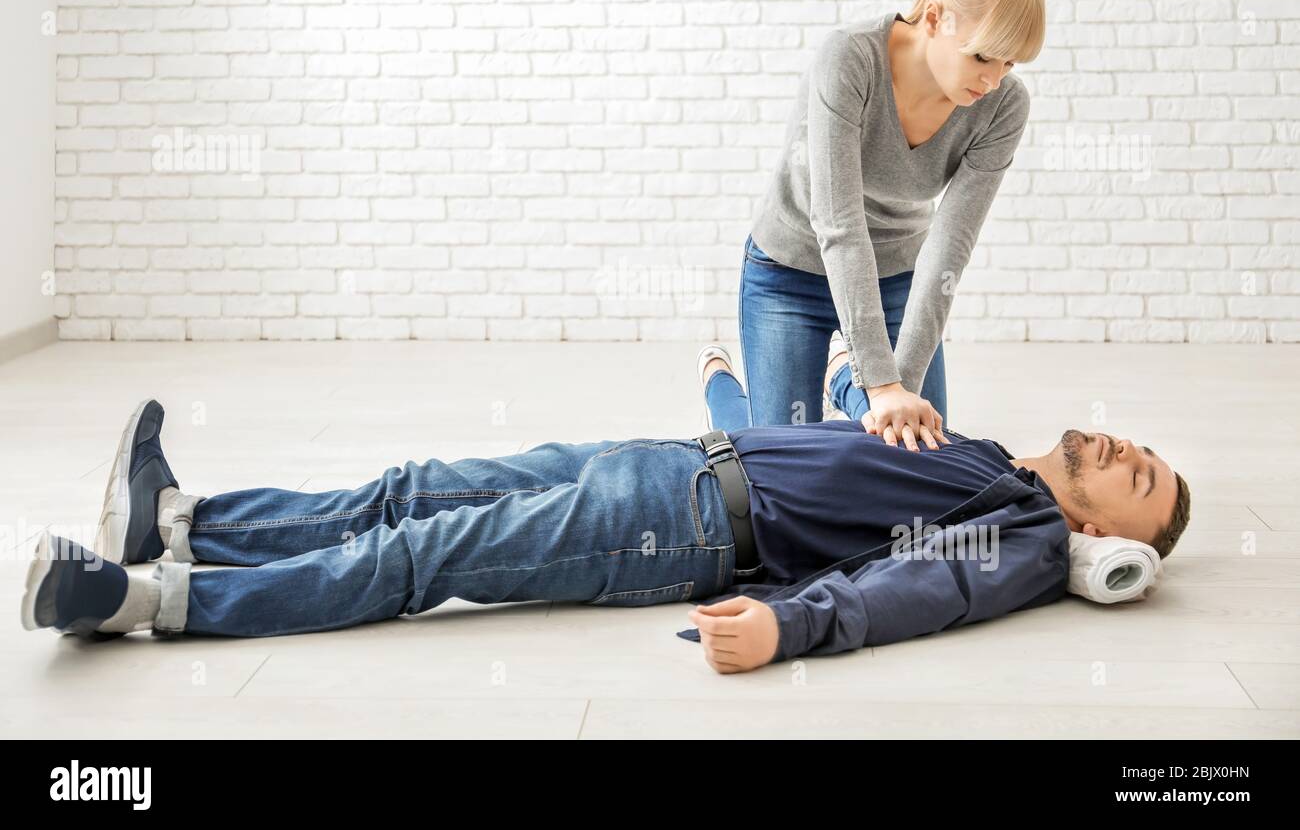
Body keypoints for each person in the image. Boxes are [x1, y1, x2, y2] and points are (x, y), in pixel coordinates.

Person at [23, 368, 1190, 674]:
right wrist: (735, 394)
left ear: (1110, 538)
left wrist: (796, 630)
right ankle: (177, 521)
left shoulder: (1024, 529)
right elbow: (833, 447)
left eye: (1142, 478)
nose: (1129, 451)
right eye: (1140, 445)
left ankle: (142, 601)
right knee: (412, 487)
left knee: (423, 555)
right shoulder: (981, 452)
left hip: (678, 526)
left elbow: (924, 583)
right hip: (674, 460)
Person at [732, 0, 1044, 450]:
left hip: (897, 274)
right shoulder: (849, 59)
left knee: (921, 457)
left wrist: (903, 391)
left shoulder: (1004, 105)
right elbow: (839, 224)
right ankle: (723, 380)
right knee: (779, 462)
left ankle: (844, 372)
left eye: (1010, 62)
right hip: (791, 269)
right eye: (982, 57)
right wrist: (880, 383)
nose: (994, 80)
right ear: (935, 18)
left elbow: (949, 246)